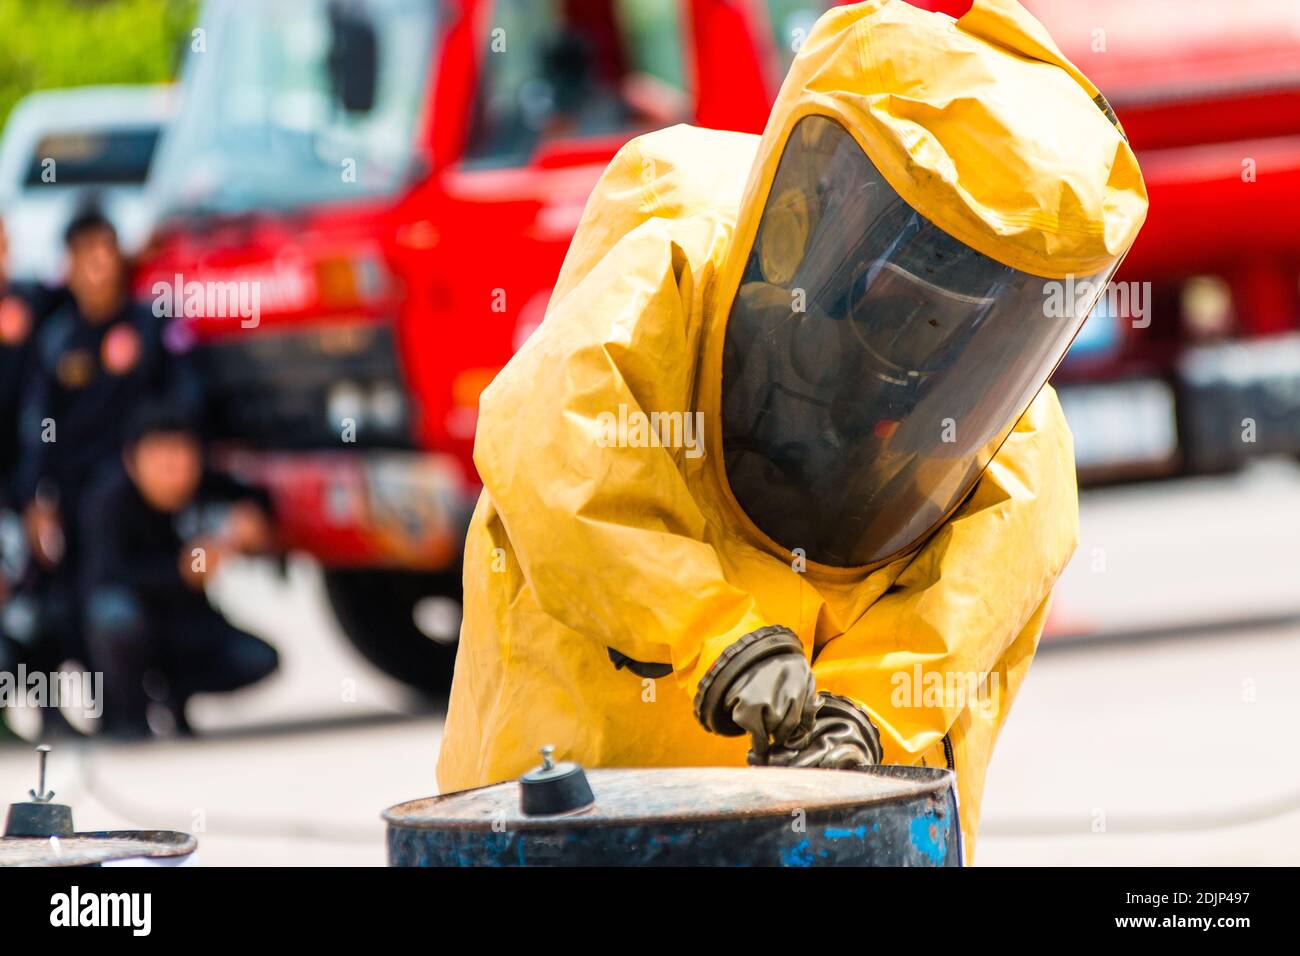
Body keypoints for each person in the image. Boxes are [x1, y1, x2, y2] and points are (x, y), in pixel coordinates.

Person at [436, 0, 1147, 858]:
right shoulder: (668, 280)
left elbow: (956, 621)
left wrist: (858, 726)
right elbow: (562, 460)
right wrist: (720, 643)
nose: (926, 337)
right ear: (820, 219)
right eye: (913, 280)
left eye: (968, 303)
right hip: (592, 799)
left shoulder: (1012, 448)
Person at [12, 206, 202, 679]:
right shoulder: (56, 335)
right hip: (75, 496)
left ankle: (163, 697)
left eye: (107, 251)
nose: (98, 265)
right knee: (69, 603)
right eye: (85, 254)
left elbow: (187, 400)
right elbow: (38, 423)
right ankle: (89, 709)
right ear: (69, 265)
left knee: (142, 597)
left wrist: (170, 466)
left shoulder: (150, 324)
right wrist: (36, 497)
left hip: (141, 492)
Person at [80, 404, 279, 739]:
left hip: (189, 626)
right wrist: (180, 574)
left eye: (183, 458)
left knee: (257, 659)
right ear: (133, 461)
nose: (175, 471)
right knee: (113, 617)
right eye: (162, 461)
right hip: (133, 625)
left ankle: (177, 699)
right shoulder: (108, 502)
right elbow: (102, 578)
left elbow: (257, 497)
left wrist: (251, 519)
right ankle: (127, 715)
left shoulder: (203, 487)